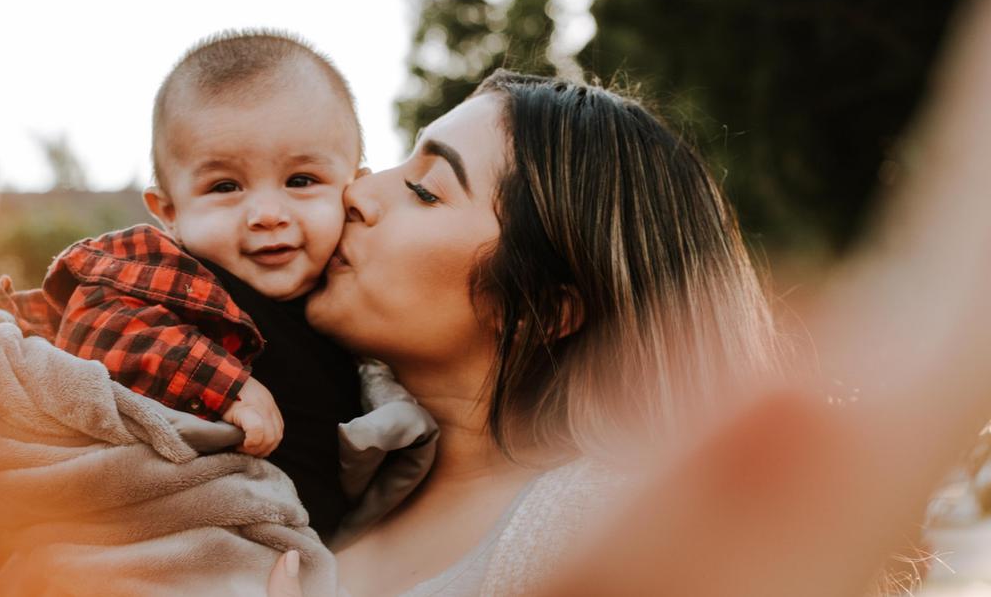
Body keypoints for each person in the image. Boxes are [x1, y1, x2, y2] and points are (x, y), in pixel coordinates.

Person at [270, 67, 779, 595]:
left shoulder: (608, 537)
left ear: (538, 309)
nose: (358, 190)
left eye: (424, 190)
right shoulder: (311, 461)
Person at [0, 29, 366, 541]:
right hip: (176, 541)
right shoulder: (175, 273)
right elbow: (98, 323)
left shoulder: (358, 294)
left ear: (356, 188)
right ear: (169, 213)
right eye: (225, 187)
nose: (266, 215)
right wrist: (223, 385)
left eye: (301, 180)